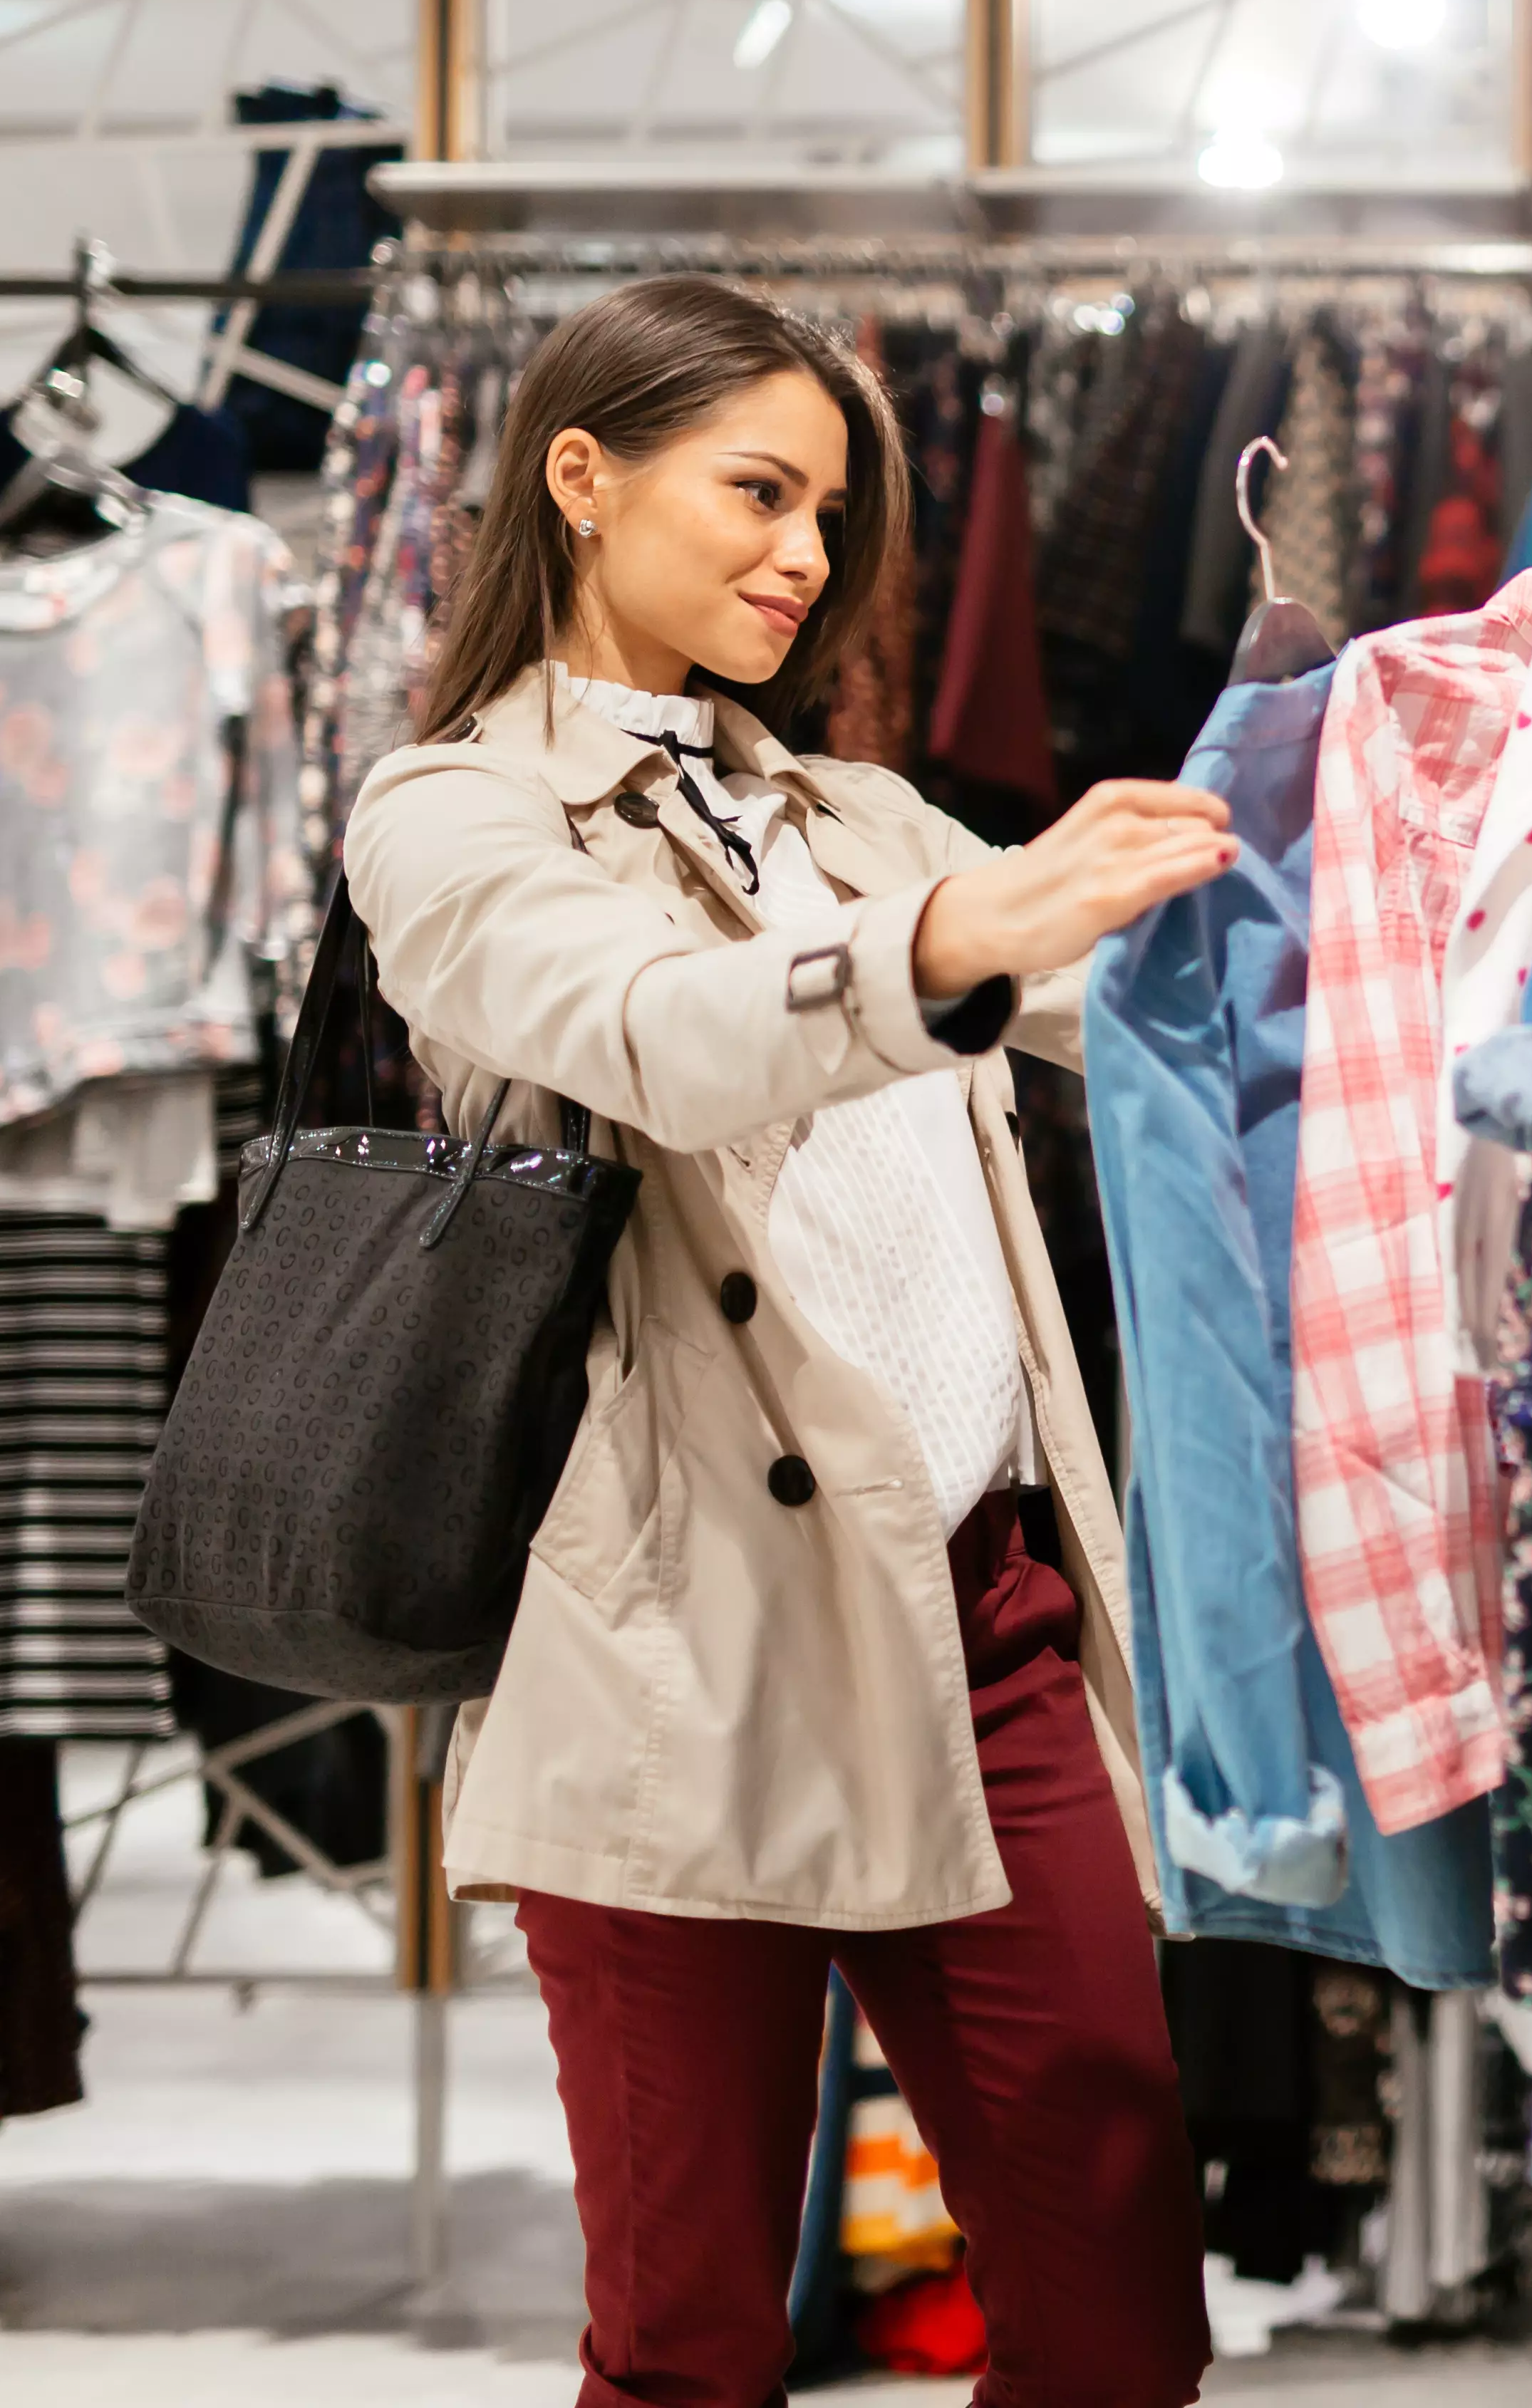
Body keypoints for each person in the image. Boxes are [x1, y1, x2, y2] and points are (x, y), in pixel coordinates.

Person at [341, 275, 1236, 2407]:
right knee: (690, 2343)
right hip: (685, 1645)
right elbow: (660, 1034)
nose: (804, 557)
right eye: (759, 491)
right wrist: (954, 937)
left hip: (987, 1616)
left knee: (1119, 2289)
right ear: (584, 476)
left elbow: (1124, 1021)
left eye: (830, 512)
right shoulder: (451, 815)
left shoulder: (856, 813)